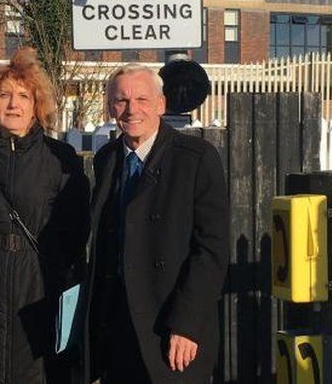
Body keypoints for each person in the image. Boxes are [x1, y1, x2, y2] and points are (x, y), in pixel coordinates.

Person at [84, 64, 229, 384]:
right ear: (110, 107)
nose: (131, 109)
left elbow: (211, 250)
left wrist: (186, 324)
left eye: (142, 99)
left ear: (161, 105)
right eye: (121, 101)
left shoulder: (195, 158)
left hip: (171, 328)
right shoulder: (107, 158)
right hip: (118, 328)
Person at [0, 48, 91, 384]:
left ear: (36, 105)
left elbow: (76, 231)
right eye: (4, 95)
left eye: (23, 96)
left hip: (40, 284)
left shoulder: (60, 158)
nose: (13, 104)